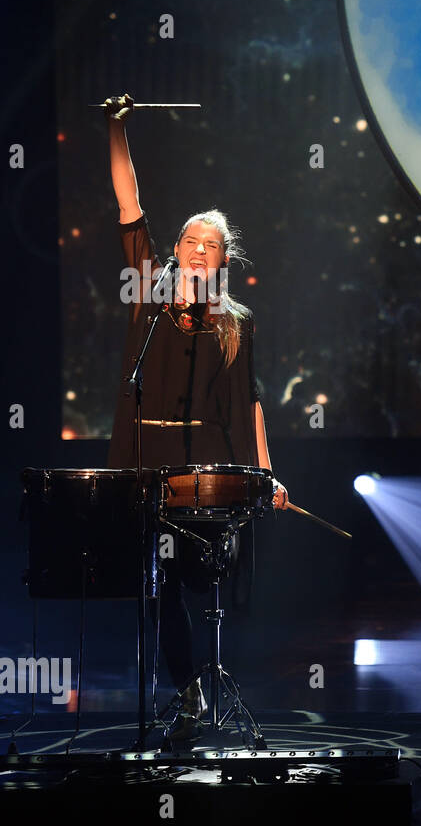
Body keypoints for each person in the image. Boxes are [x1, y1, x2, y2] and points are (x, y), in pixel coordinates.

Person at [104, 93, 289, 743]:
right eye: (188, 239)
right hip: (138, 462)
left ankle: (195, 690)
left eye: (209, 244)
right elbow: (130, 203)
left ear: (223, 261)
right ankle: (183, 690)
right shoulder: (150, 294)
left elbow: (249, 403)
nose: (195, 248)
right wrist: (116, 127)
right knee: (150, 592)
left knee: (185, 582)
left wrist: (266, 474)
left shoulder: (233, 327)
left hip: (199, 476)